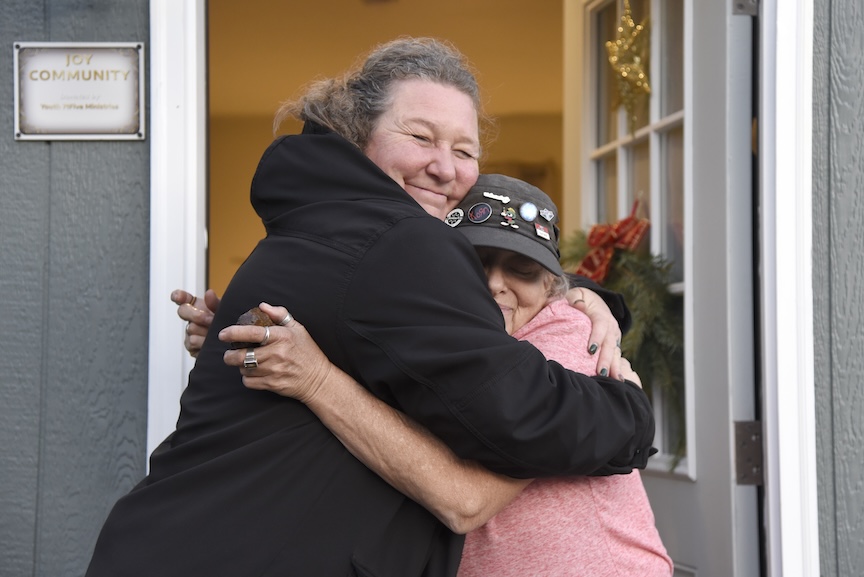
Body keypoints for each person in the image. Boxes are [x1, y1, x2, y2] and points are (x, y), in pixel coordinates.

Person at [86, 37, 655, 577]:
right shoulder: (399, 240)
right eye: (420, 137)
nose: (445, 165)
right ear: (358, 134)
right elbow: (517, 425)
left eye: (464, 150)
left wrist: (587, 299)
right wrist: (628, 407)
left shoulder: (323, 221)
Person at [220, 174, 673, 576]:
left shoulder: (567, 333)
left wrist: (315, 379)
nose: (496, 282)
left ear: (553, 288)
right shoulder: (448, 341)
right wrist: (238, 337)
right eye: (476, 261)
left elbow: (466, 501)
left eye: (523, 270)